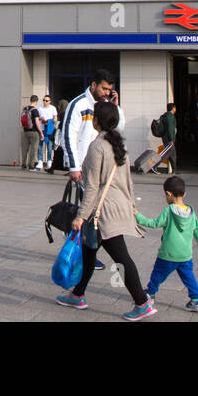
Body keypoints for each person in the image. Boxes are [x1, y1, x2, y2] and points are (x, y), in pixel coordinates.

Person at [56, 100, 154, 321]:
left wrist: (81, 216)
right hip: (117, 205)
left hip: (103, 212)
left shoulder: (97, 146)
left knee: (120, 256)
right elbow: (128, 180)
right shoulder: (120, 145)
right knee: (89, 251)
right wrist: (131, 206)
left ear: (96, 121)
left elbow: (91, 187)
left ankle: (141, 302)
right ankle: (78, 294)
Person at [63, 69, 123, 270]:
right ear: (94, 84)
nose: (107, 92)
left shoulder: (105, 106)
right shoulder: (79, 104)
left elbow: (118, 130)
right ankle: (82, 254)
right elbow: (68, 136)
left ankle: (87, 254)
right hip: (83, 169)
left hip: (101, 171)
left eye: (110, 89)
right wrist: (74, 166)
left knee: (92, 214)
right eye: (104, 88)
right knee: (86, 213)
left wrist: (115, 108)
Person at [135, 174, 198, 312]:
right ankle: (196, 300)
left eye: (165, 195)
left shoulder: (168, 211)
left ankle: (150, 293)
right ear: (184, 194)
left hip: (168, 254)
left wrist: (137, 215)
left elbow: (154, 223)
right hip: (185, 254)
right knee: (188, 276)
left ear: (168, 194)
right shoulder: (191, 212)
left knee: (158, 274)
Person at [153, 102, 176, 173]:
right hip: (168, 139)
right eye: (175, 107)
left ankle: (174, 170)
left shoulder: (166, 115)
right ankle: (155, 165)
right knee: (167, 153)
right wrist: (171, 139)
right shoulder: (170, 117)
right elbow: (170, 128)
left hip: (166, 137)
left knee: (172, 154)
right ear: (173, 108)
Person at [36, 95, 58, 170]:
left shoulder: (53, 108)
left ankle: (49, 161)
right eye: (44, 100)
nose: (45, 102)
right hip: (41, 129)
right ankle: (40, 161)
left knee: (49, 146)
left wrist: (50, 121)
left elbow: (55, 118)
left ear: (50, 101)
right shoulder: (40, 108)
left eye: (47, 100)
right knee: (40, 145)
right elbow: (37, 118)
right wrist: (40, 118)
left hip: (49, 130)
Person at [20, 95, 41, 170]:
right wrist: (41, 132)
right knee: (33, 149)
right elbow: (37, 122)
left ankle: (23, 164)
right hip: (33, 132)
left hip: (25, 131)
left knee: (24, 149)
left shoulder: (25, 109)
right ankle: (31, 165)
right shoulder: (35, 110)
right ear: (36, 101)